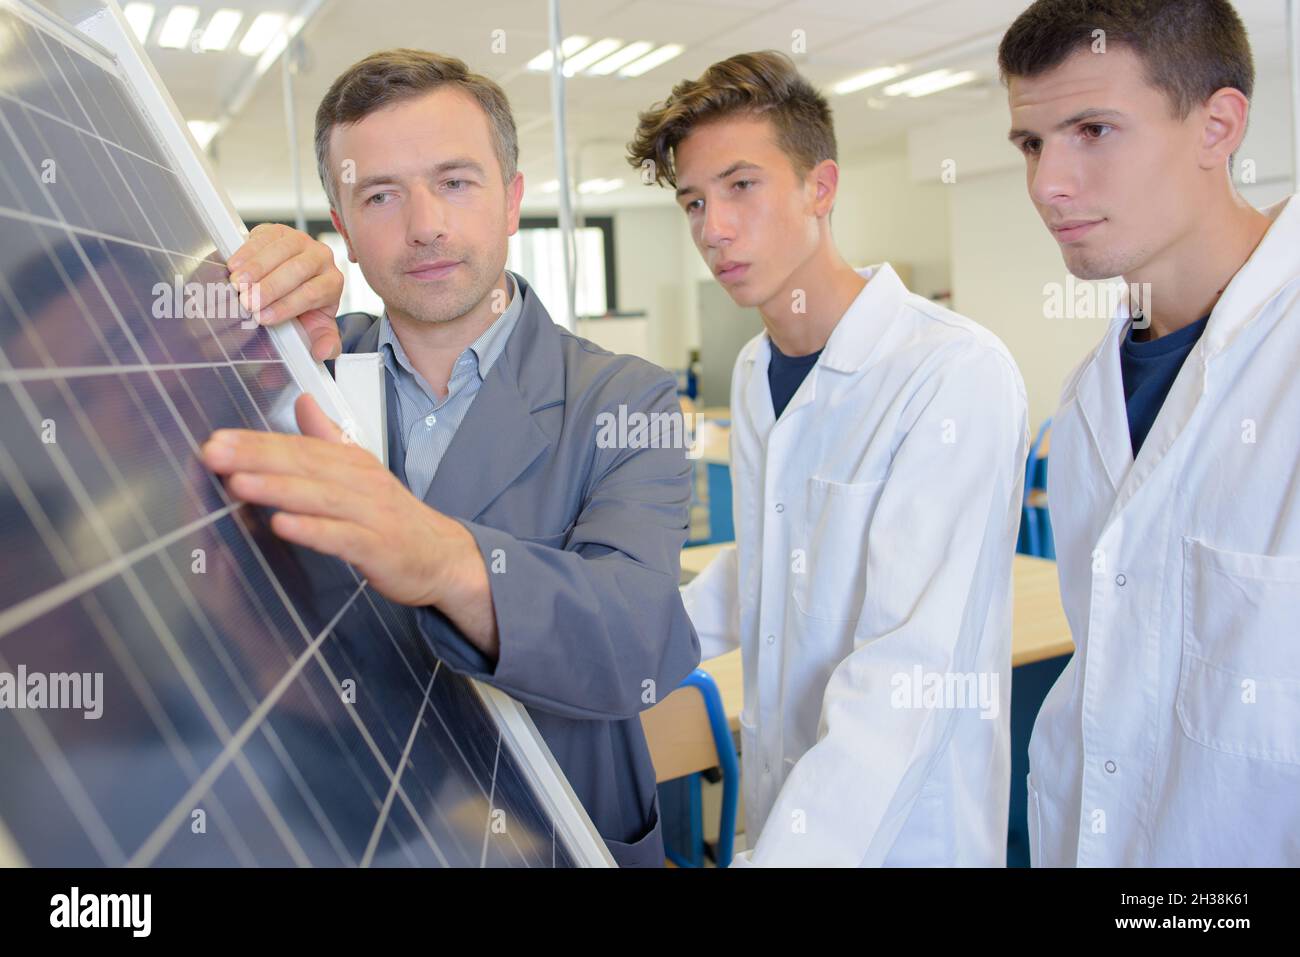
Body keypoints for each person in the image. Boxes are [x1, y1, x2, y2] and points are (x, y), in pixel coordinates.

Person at [204, 49, 700, 867]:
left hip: (554, 837)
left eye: (456, 181)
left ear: (511, 202)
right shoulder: (303, 376)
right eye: (380, 195)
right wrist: (253, 309)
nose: (424, 222)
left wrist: (440, 557)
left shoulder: (627, 400)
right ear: (346, 233)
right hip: (352, 832)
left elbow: (634, 641)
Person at [628, 51, 1028, 866]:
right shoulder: (753, 370)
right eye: (694, 201)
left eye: (742, 186)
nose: (714, 228)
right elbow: (771, 561)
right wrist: (622, 647)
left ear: (821, 186)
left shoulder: (950, 372)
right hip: (788, 807)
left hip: (903, 834)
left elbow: (904, 677)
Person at [1000, 0, 1300, 865]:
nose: (1048, 182)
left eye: (1093, 129)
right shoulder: (1092, 393)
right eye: (1031, 142)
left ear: (1218, 125)